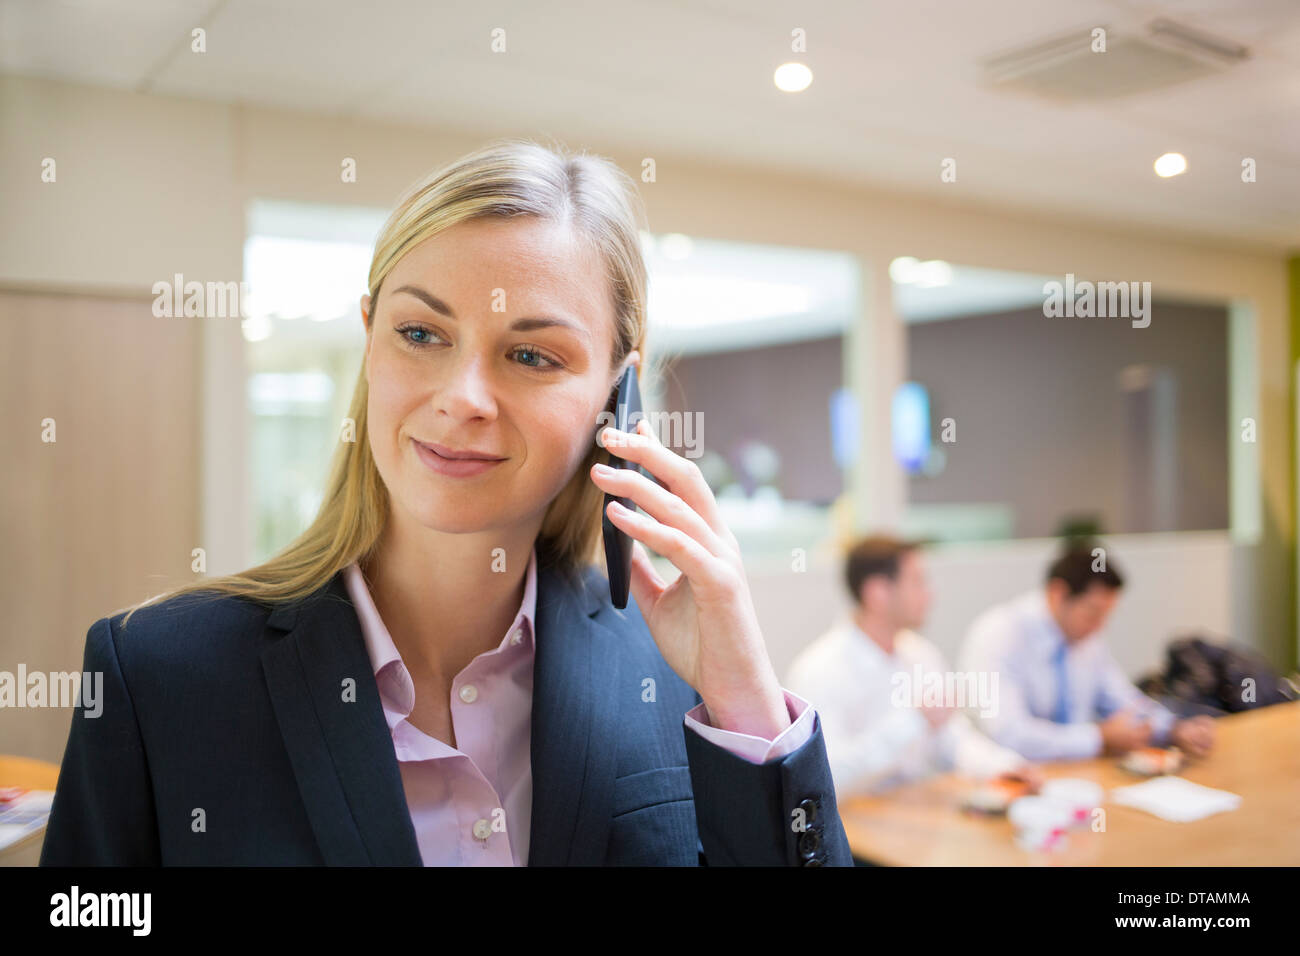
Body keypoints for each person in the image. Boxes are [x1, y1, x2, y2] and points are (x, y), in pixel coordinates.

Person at [39, 139, 851, 866]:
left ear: (618, 389)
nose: (463, 397)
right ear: (369, 337)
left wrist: (743, 704)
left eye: (532, 355)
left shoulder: (674, 675)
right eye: (421, 334)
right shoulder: (159, 673)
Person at [786, 535, 1039, 798]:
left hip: (918, 814)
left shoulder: (920, 654)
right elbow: (829, 776)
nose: (929, 594)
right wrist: (913, 721)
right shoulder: (819, 670)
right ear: (878, 593)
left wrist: (1003, 765)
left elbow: (950, 736)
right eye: (917, 582)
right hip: (855, 827)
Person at [957, 541, 1216, 763]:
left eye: (1106, 616)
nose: (1099, 626)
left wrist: (1173, 728)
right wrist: (1099, 736)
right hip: (1006, 783)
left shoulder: (1087, 639)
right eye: (1092, 613)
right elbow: (1009, 734)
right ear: (1058, 594)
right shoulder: (998, 634)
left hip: (1076, 776)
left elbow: (1121, 699)